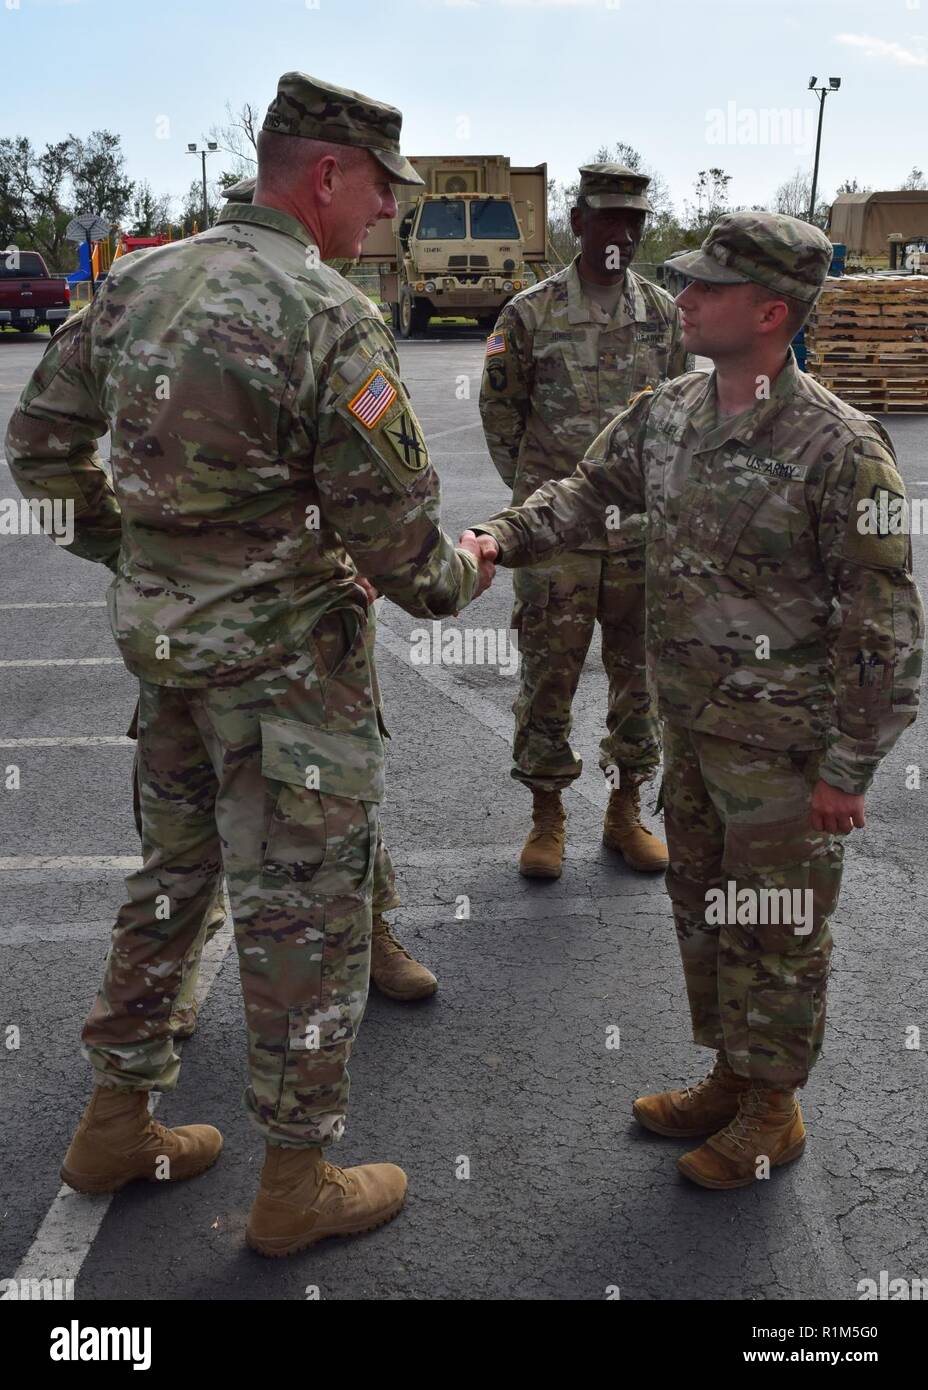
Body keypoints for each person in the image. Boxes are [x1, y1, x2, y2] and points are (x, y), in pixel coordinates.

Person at [5, 70, 493, 1256]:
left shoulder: (137, 281)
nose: (386, 214)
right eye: (382, 188)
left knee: (170, 882)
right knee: (304, 923)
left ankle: (116, 1119)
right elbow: (405, 555)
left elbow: (40, 451)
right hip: (288, 683)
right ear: (327, 173)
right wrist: (471, 562)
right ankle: (295, 1188)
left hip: (171, 658)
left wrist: (151, 557)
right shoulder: (328, 314)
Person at [465, 212, 923, 1189]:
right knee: (706, 911)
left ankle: (773, 1109)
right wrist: (493, 539)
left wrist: (849, 766)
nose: (684, 300)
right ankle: (731, 1075)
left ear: (768, 311)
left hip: (786, 759)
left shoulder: (843, 447)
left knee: (777, 927)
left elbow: (883, 626)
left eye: (707, 288)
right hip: (694, 740)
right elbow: (580, 494)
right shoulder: (665, 413)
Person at [479, 164, 686, 881]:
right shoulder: (529, 314)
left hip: (641, 536)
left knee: (642, 682)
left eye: (634, 222)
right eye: (608, 219)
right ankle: (546, 816)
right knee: (549, 675)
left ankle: (626, 811)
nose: (623, 234)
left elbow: (687, 418)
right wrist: (538, 494)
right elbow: (501, 413)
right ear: (578, 223)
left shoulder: (665, 315)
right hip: (559, 535)